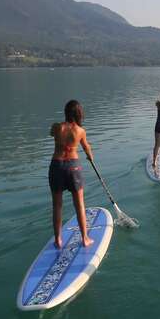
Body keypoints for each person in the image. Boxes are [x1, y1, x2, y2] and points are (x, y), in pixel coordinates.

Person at [49, 100, 95, 248]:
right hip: (73, 167)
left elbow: (52, 134)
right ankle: (85, 238)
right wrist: (90, 156)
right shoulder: (80, 131)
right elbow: (86, 147)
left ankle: (58, 240)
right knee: (79, 204)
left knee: (57, 205)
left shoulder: (57, 127)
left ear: (66, 112)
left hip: (56, 166)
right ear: (78, 114)